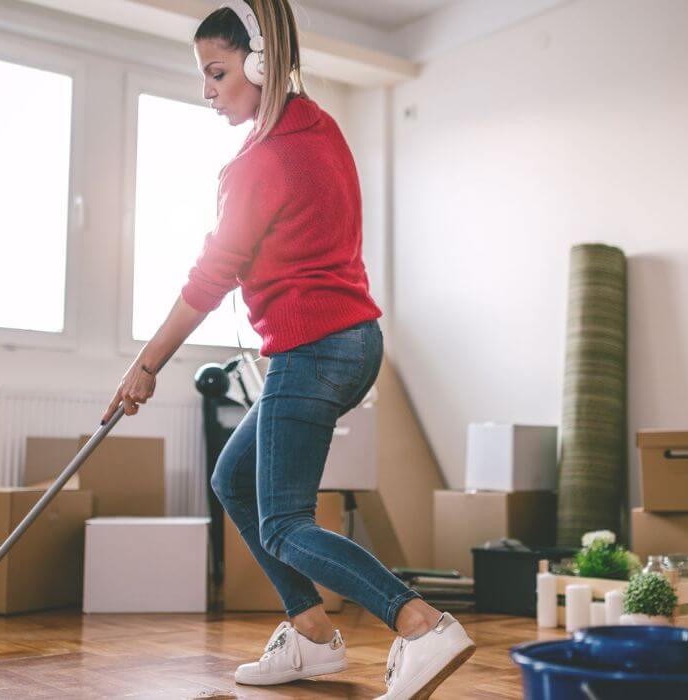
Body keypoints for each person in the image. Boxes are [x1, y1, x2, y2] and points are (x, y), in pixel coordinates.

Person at [100, 0, 475, 696]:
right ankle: (309, 633)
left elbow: (210, 278)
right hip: (354, 341)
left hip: (315, 348)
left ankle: (420, 622)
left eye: (216, 72)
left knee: (282, 524)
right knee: (232, 480)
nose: (206, 90)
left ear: (260, 62)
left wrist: (143, 364)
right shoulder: (320, 128)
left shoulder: (256, 164)